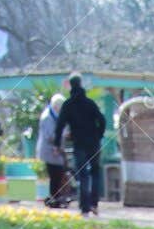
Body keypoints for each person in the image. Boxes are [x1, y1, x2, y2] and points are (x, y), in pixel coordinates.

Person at [54, 75, 106, 217]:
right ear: (81, 84)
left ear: (71, 86)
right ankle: (94, 204)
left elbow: (59, 126)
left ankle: (84, 207)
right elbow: (102, 120)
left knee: (83, 174)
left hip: (79, 144)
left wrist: (57, 144)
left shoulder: (68, 105)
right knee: (95, 173)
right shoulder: (90, 103)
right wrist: (99, 135)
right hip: (93, 142)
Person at [36, 93, 68, 208]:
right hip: (49, 151)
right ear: (56, 106)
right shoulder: (47, 117)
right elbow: (49, 135)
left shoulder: (55, 116)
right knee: (55, 174)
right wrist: (64, 134)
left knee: (58, 174)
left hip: (56, 150)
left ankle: (55, 197)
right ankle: (53, 198)